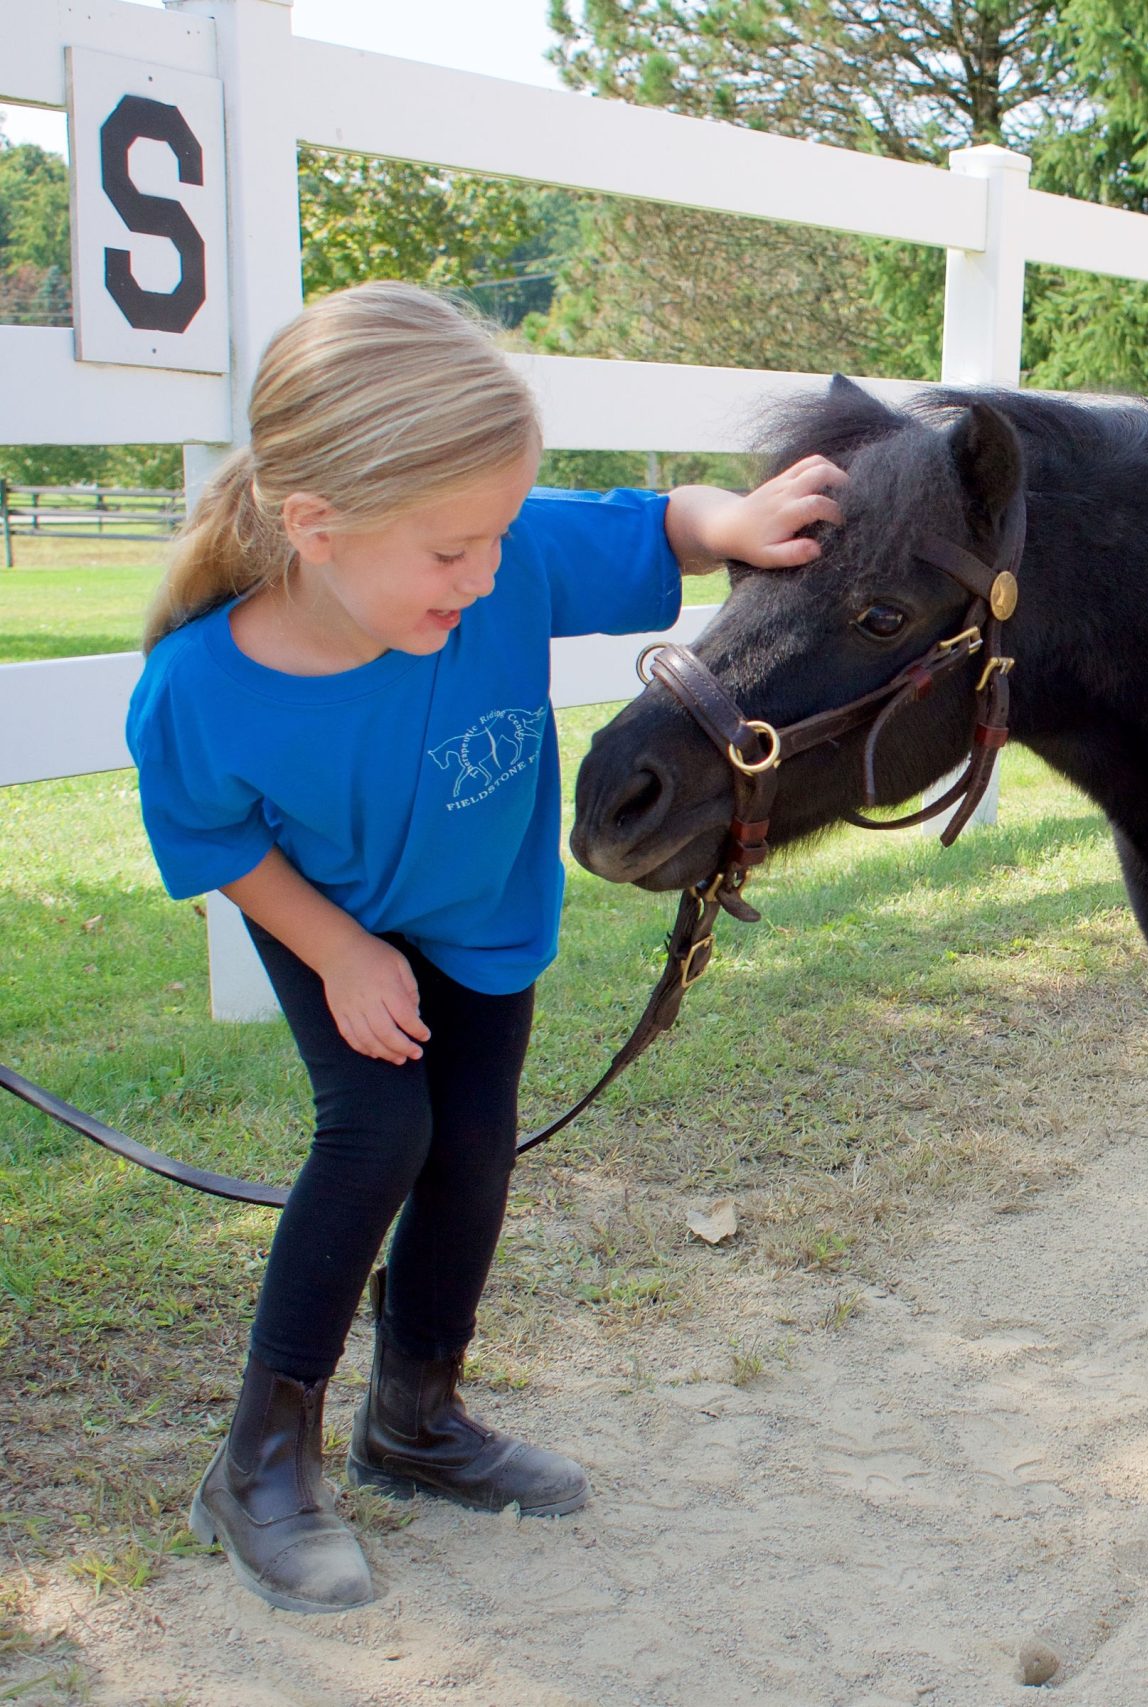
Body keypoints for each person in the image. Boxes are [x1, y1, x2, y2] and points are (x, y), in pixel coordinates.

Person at [124, 281, 843, 1614]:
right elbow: (213, 840)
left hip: (478, 915)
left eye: (501, 536)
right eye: (455, 551)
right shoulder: (203, 686)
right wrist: (338, 950)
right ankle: (259, 1458)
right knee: (378, 1131)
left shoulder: (487, 555)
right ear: (315, 528)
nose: (491, 573)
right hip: (323, 911)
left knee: (471, 1146)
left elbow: (650, 528)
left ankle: (416, 1419)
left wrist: (731, 523)